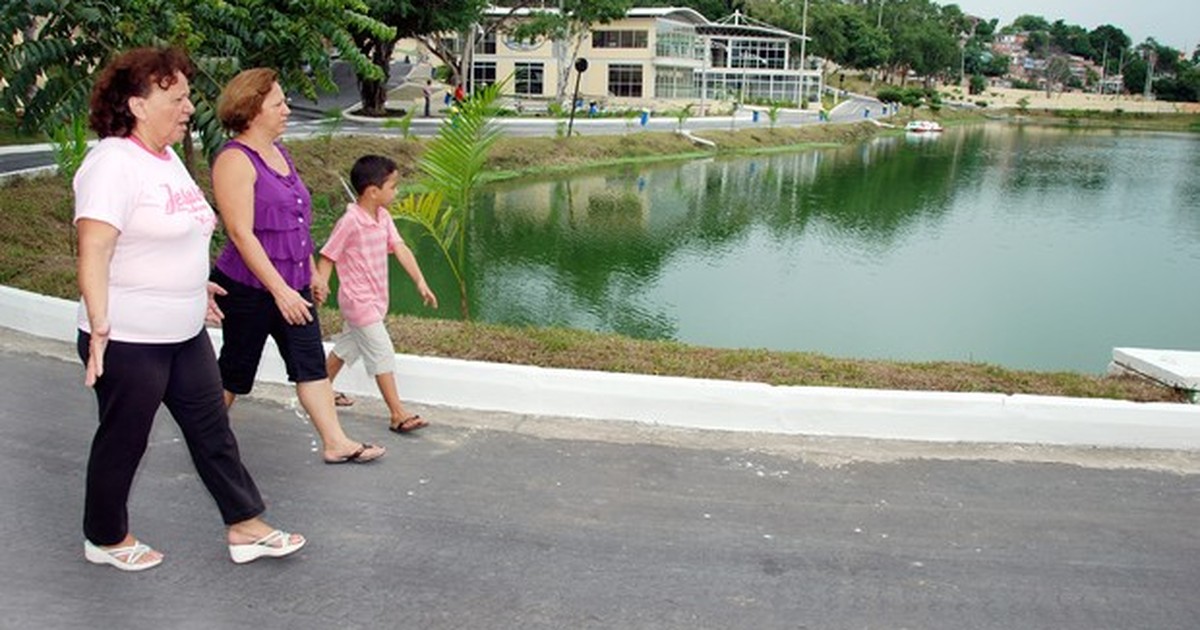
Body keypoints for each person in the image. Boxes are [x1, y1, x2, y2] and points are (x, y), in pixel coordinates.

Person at [73, 47, 305, 571]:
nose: (188, 108)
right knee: (125, 439)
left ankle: (245, 524)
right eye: (176, 99)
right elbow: (95, 248)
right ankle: (104, 537)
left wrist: (197, 284)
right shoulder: (112, 163)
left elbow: (178, 232)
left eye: (187, 97)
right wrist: (101, 323)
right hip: (128, 336)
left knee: (212, 431)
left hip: (182, 333)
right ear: (137, 105)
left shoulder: (167, 159)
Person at [210, 67, 385, 465]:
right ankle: (206, 435)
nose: (287, 110)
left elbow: (294, 223)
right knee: (235, 370)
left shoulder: (280, 154)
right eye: (278, 104)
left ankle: (336, 442)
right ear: (252, 110)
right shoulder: (235, 160)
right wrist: (280, 291)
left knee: (310, 364)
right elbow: (240, 233)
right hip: (249, 287)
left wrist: (309, 273)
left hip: (292, 285)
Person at [315, 155, 438, 432]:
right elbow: (328, 255)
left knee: (348, 347)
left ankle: (320, 391)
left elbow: (400, 248)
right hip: (358, 301)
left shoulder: (382, 217)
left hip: (376, 299)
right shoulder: (350, 221)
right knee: (382, 352)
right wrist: (321, 284)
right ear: (373, 191)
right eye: (392, 186)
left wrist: (420, 281)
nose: (397, 191)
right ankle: (397, 414)